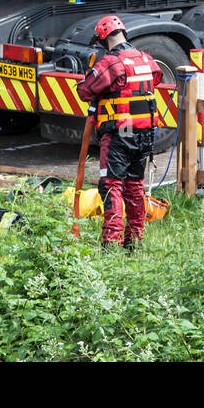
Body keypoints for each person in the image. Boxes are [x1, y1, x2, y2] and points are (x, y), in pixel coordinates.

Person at [77, 15, 161, 250]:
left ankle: (111, 244)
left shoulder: (111, 62)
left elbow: (85, 90)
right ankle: (135, 241)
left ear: (104, 39)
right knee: (134, 187)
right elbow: (155, 78)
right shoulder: (146, 58)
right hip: (145, 134)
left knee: (111, 185)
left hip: (120, 135)